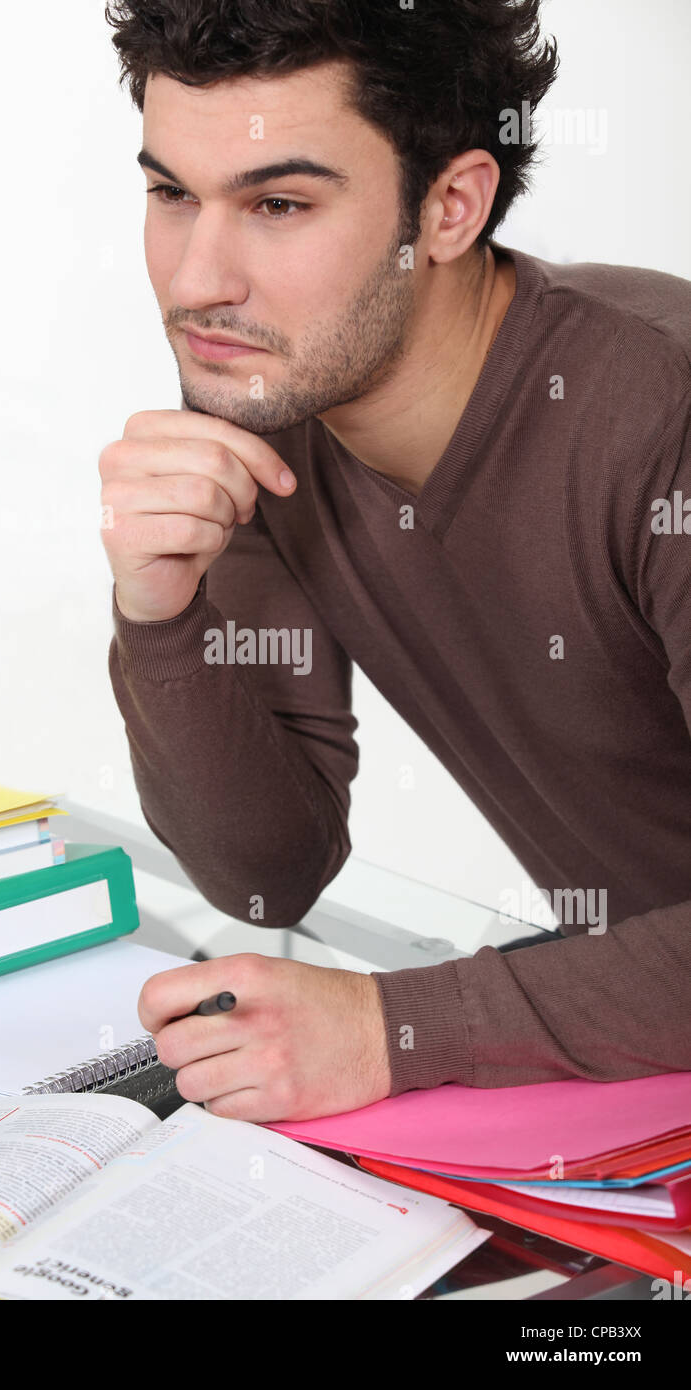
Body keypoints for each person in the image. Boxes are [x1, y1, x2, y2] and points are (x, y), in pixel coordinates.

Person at [98, 0, 691, 1121]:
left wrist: (391, 1026)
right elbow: (268, 872)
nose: (195, 281)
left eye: (278, 203)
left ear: (450, 206)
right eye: (172, 193)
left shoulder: (660, 416)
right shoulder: (266, 398)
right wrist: (159, 609)